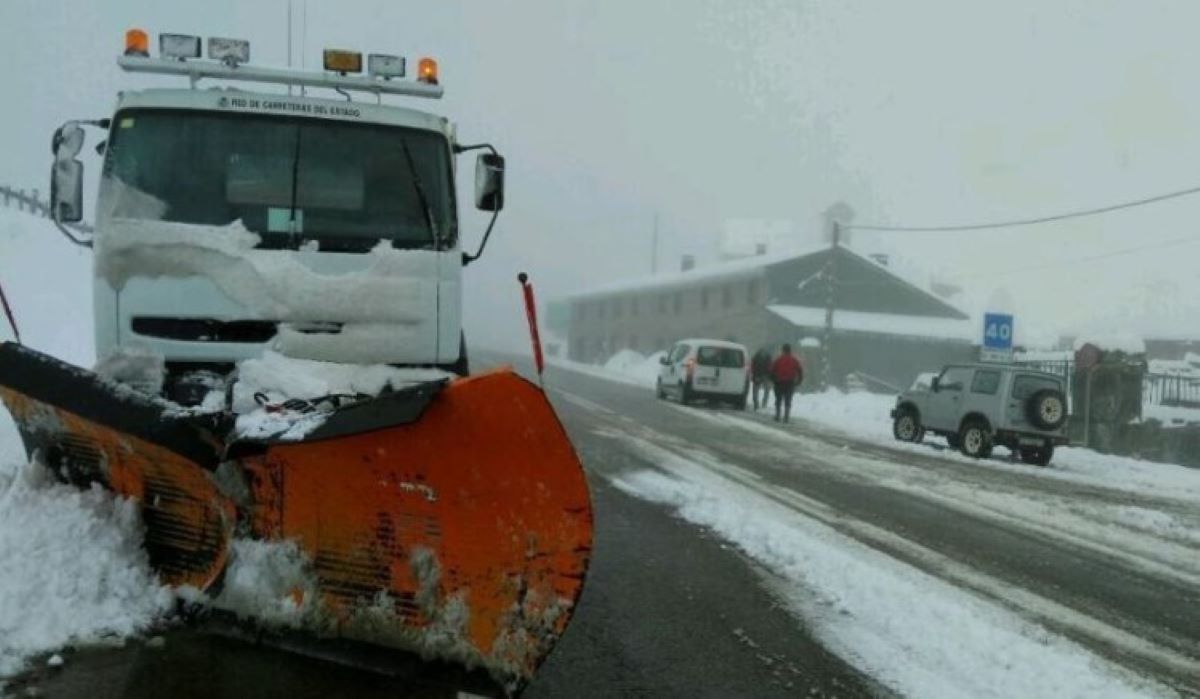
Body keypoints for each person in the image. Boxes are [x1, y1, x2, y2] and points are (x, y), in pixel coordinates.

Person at [770, 343, 803, 423]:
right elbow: (800, 371)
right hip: (790, 383)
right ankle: (786, 417)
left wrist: (774, 380)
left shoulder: (778, 359)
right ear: (790, 350)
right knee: (788, 400)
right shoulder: (794, 360)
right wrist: (798, 381)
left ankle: (777, 416)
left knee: (778, 399)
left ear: (783, 350)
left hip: (779, 382)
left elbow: (771, 370)